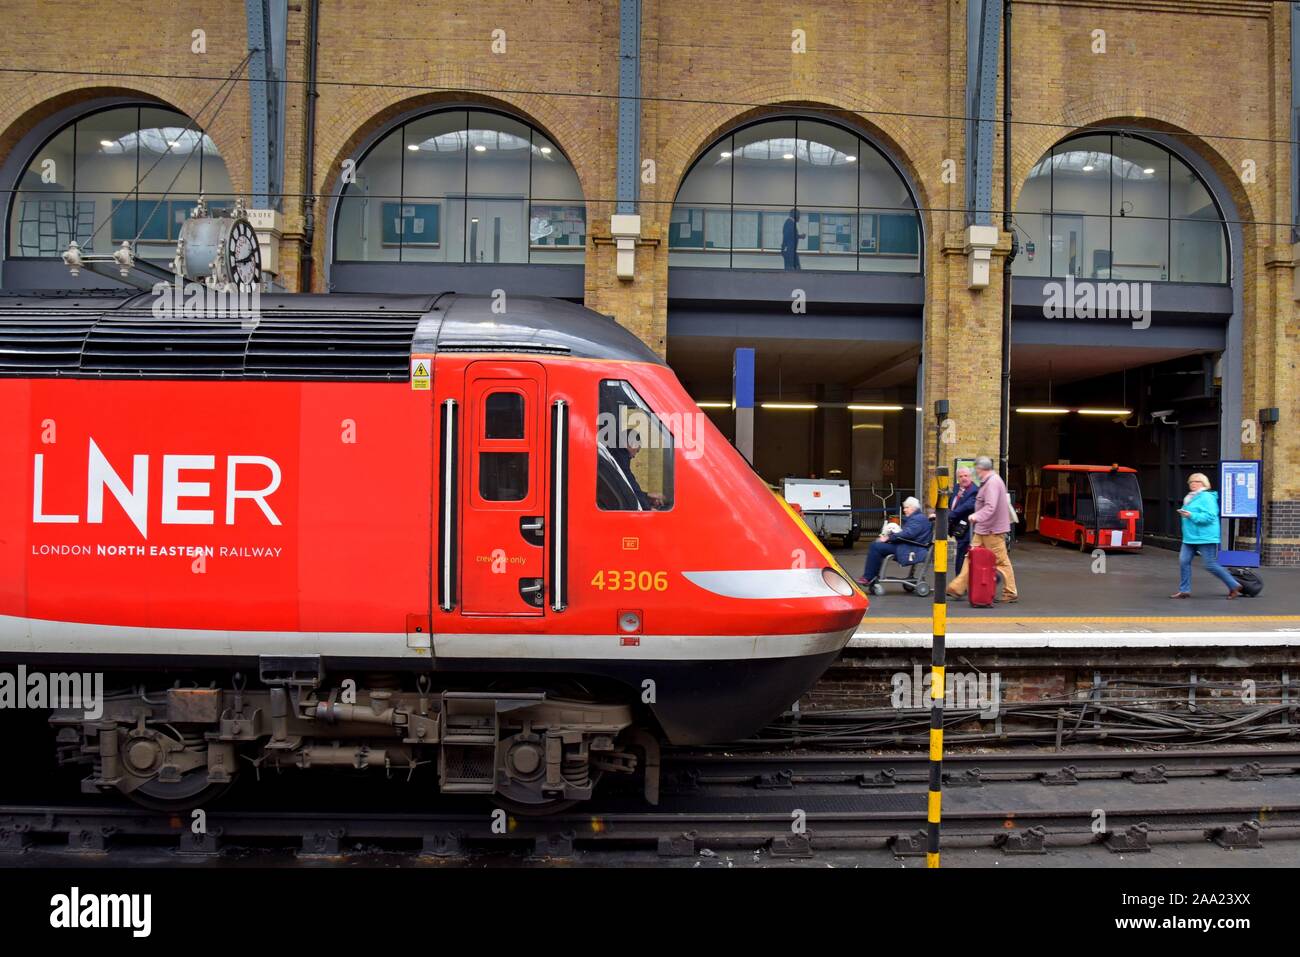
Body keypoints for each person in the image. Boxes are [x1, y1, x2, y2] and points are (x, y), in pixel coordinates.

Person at [945, 456, 1018, 603]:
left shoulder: (992, 483)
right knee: (970, 556)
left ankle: (1010, 592)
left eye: (976, 469)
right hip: (983, 529)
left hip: (992, 530)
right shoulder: (988, 481)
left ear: (981, 469)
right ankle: (958, 587)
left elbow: (990, 506)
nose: (975, 472)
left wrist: (976, 516)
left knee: (1001, 562)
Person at [1171, 472, 1240, 599]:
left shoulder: (1207, 497)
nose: (1193, 484)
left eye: (1197, 482)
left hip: (1205, 537)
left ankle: (1234, 585)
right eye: (1191, 481)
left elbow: (1210, 516)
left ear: (1204, 484)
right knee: (1183, 561)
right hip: (1190, 537)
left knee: (1210, 564)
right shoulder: (1190, 497)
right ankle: (1184, 590)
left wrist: (1190, 515)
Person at [857, 496, 932, 585]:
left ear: (913, 508)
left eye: (906, 508)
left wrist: (889, 538)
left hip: (911, 549)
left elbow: (908, 534)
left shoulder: (917, 519)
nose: (904, 510)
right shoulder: (918, 518)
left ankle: (869, 577)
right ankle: (870, 576)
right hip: (911, 547)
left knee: (876, 546)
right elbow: (909, 534)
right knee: (877, 546)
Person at [607, 428, 664, 510]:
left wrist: (647, 496)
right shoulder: (620, 457)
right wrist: (647, 509)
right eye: (637, 451)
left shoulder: (614, 452)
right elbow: (631, 486)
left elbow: (629, 488)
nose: (634, 456)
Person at [948, 466, 979, 576]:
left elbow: (965, 507)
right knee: (961, 554)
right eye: (960, 476)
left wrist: (948, 515)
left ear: (970, 477)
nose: (963, 478)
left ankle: (959, 582)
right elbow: (951, 503)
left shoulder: (974, 491)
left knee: (962, 555)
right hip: (958, 528)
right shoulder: (957, 487)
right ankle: (960, 582)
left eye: (966, 476)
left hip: (967, 529)